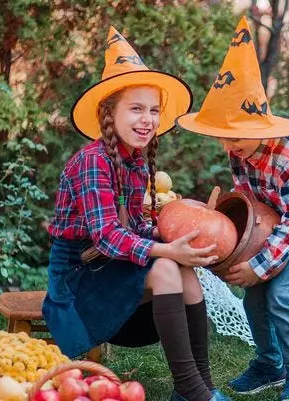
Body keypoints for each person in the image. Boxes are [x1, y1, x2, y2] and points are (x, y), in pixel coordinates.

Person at [42, 26, 232, 401]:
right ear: (108, 114)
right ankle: (192, 389)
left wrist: (178, 242)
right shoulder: (92, 163)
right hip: (79, 278)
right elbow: (108, 236)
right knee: (165, 266)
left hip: (109, 267)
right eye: (136, 109)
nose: (147, 119)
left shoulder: (134, 161)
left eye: (154, 110)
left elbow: (139, 227)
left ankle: (199, 385)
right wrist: (165, 251)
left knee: (183, 269)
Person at [176, 17, 289, 401]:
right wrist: (234, 255)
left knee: (282, 293)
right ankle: (269, 363)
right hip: (284, 219)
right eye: (223, 137)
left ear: (260, 130)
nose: (229, 147)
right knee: (255, 295)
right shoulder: (239, 153)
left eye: (236, 137)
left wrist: (260, 266)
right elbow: (251, 209)